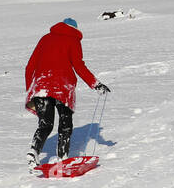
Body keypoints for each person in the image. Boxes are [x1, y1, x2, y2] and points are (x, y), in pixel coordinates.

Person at [24, 18, 110, 168]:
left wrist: (31, 90)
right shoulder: (73, 40)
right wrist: (96, 84)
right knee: (65, 124)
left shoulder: (45, 38)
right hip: (62, 87)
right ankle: (62, 158)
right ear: (75, 29)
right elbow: (78, 65)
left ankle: (34, 151)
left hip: (41, 87)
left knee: (45, 124)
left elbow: (30, 66)